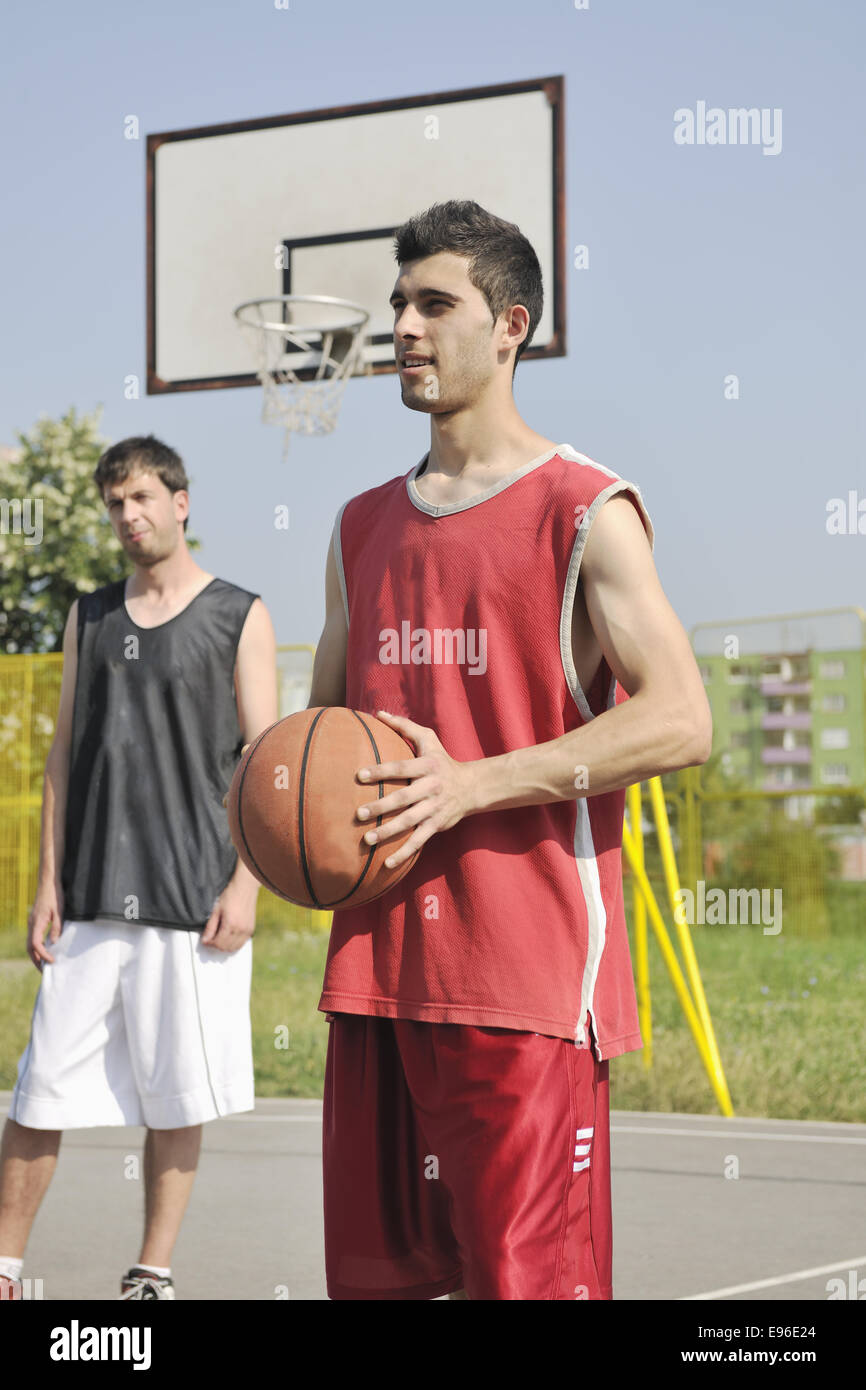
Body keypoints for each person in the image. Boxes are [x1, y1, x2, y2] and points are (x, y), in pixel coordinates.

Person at [308, 200, 712, 1301]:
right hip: (375, 977)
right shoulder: (357, 526)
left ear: (509, 327)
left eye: (435, 303)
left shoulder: (583, 508)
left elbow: (681, 717)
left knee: (523, 1289)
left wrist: (469, 783)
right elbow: (324, 744)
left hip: (520, 984)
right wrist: (283, 813)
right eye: (398, 303)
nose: (404, 326)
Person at [0, 436, 277, 1301]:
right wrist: (48, 883)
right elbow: (61, 759)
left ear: (182, 502)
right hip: (87, 899)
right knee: (38, 1092)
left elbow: (264, 766)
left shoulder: (240, 613)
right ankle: (4, 1265)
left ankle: (150, 1271)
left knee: (173, 1098)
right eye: (116, 503)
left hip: (193, 899)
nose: (129, 516)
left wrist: (246, 885)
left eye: (144, 498)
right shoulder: (90, 616)